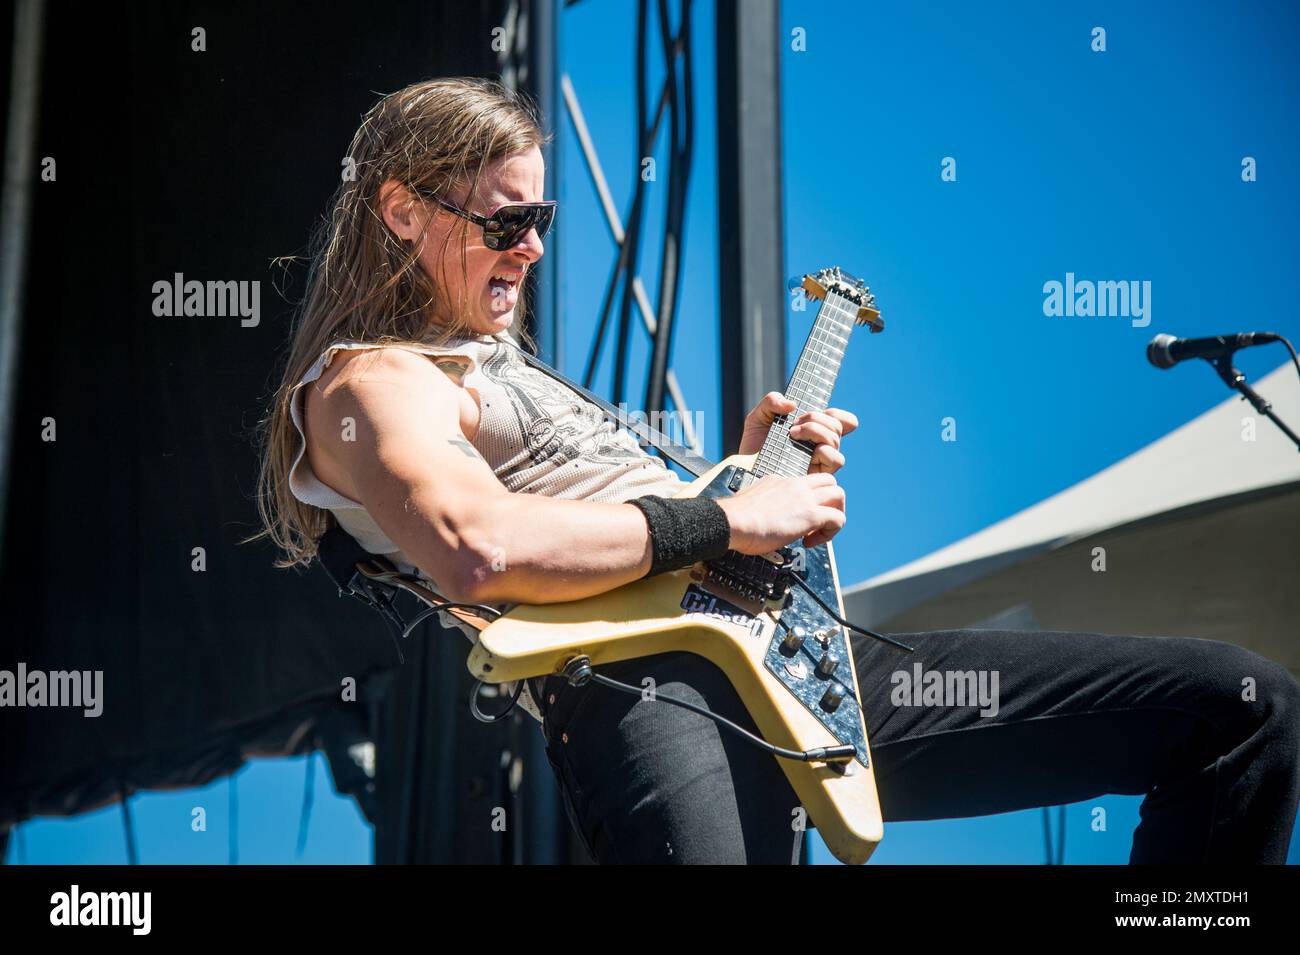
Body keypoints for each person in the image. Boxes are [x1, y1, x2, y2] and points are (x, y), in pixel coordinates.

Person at [252, 77, 1300, 864]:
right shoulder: (372, 381)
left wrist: (737, 472)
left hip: (809, 672)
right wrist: (732, 518)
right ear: (400, 211)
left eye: (543, 221)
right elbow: (479, 548)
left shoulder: (506, 369)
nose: (529, 248)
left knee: (1240, 708)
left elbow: (657, 517)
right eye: (504, 219)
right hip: (652, 688)